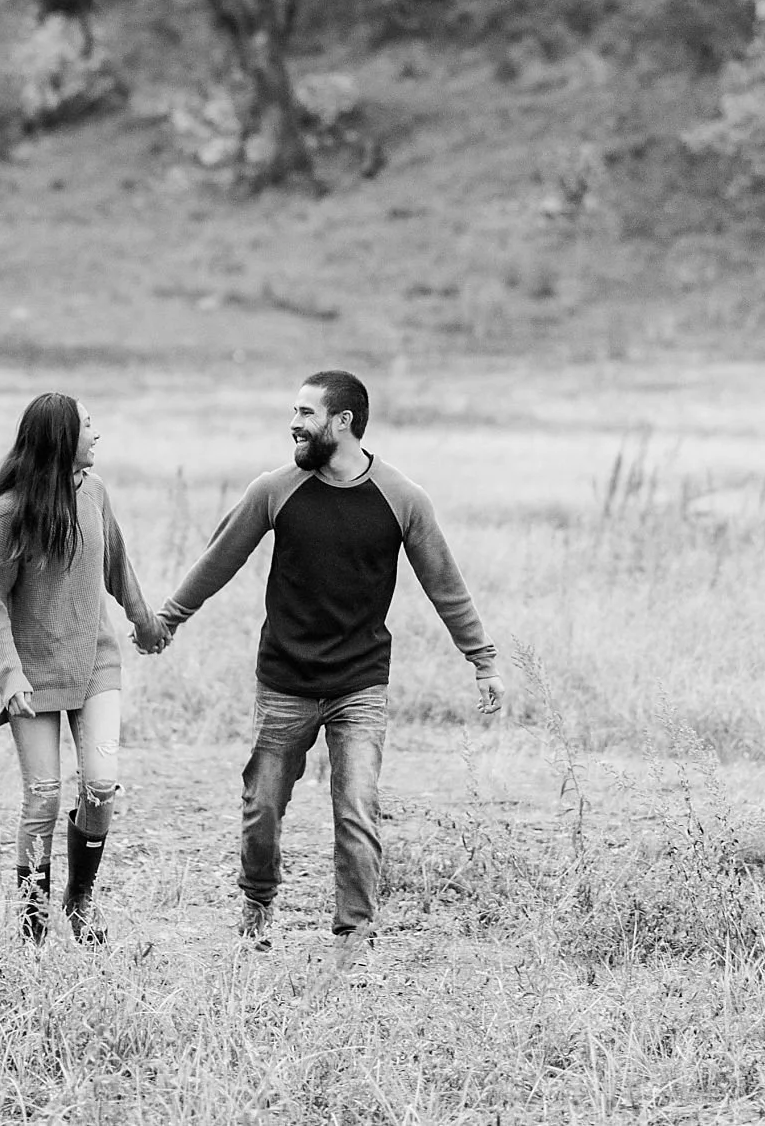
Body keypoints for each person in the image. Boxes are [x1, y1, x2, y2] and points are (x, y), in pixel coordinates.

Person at [147, 370, 502, 972]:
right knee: (262, 807)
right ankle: (258, 903)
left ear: (344, 422)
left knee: (356, 807)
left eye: (306, 412)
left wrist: (482, 660)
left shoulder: (403, 499)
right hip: (284, 680)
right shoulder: (276, 489)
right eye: (294, 409)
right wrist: (168, 619)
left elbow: (445, 583)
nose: (294, 421)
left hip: (360, 684)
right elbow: (220, 559)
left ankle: (351, 941)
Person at [0, 392, 162, 945]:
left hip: (96, 663)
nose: (96, 434)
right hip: (33, 676)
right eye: (87, 425)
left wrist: (146, 623)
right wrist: (9, 677)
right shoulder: (10, 512)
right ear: (60, 440)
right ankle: (32, 928)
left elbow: (117, 566)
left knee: (100, 787)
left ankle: (80, 900)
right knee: (45, 795)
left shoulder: (95, 493)